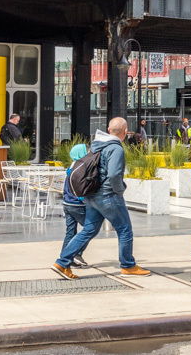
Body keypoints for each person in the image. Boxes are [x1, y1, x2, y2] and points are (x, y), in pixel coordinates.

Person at [53, 117, 151, 278]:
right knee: (125, 230)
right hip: (108, 196)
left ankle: (62, 262)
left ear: (108, 130)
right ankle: (128, 266)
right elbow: (113, 174)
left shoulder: (96, 145)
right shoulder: (115, 149)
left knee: (89, 230)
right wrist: (119, 190)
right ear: (125, 132)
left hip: (91, 196)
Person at [58, 142, 90, 268]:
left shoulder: (71, 167)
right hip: (77, 205)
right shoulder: (81, 169)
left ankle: (65, 258)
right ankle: (76, 254)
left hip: (67, 203)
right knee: (89, 229)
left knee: (70, 232)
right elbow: (80, 188)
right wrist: (85, 200)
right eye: (87, 152)